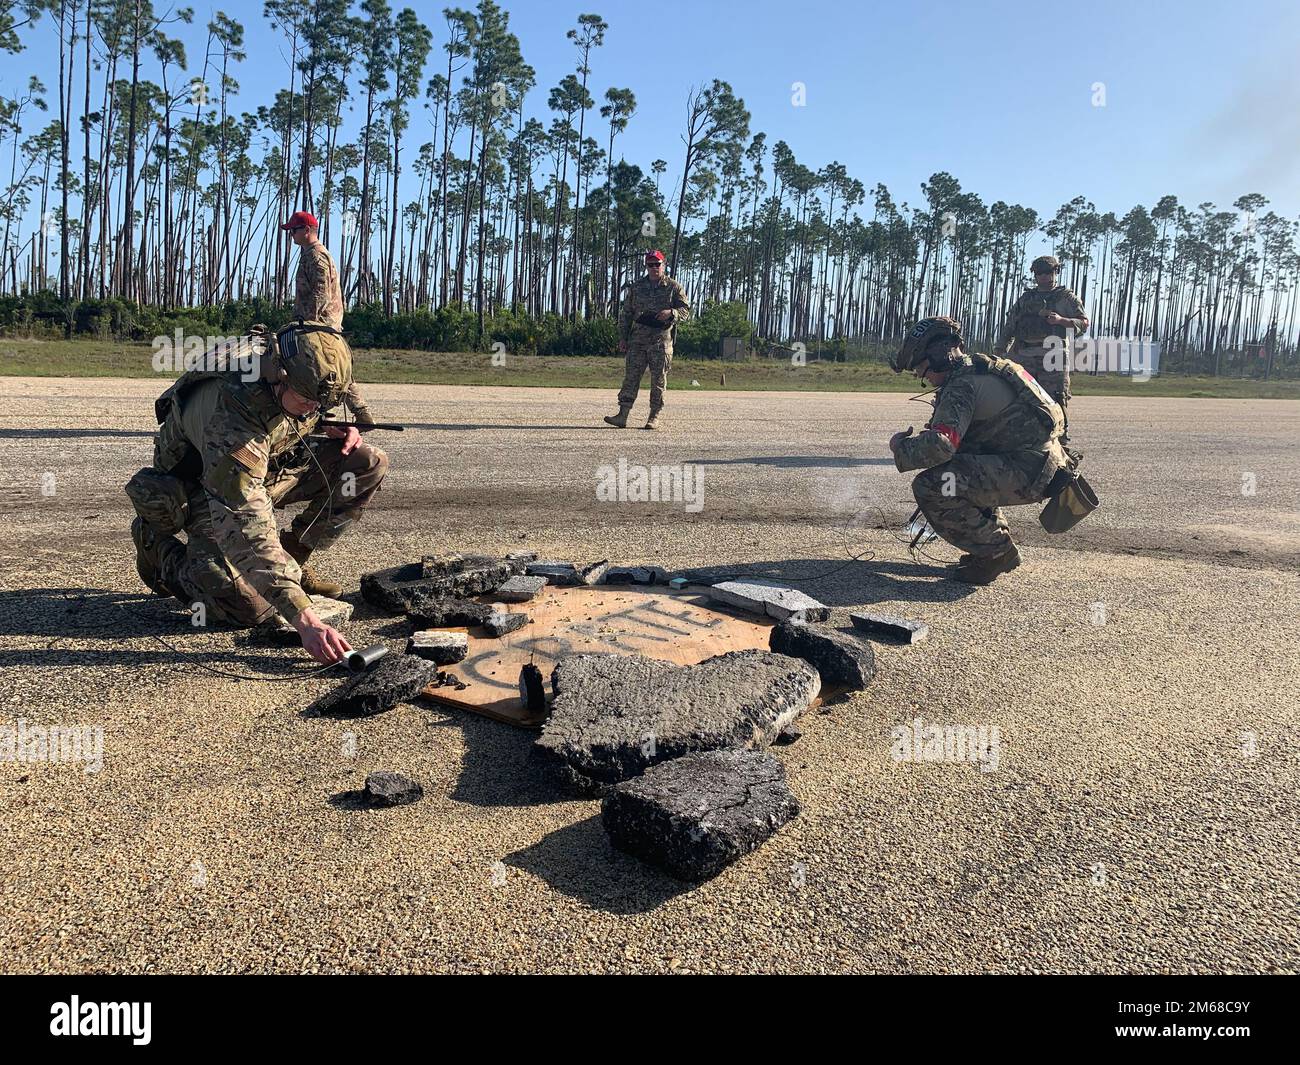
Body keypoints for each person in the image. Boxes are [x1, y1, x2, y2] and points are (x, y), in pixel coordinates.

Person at [125, 324, 388, 664]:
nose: (313, 408)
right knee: (247, 608)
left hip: (268, 468)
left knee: (365, 462)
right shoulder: (231, 414)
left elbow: (301, 408)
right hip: (206, 491)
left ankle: (292, 559)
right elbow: (245, 517)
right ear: (279, 375)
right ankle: (157, 549)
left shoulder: (297, 375)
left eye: (321, 402)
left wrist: (330, 424)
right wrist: (304, 620)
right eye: (308, 400)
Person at [889, 316, 1069, 584]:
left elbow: (942, 446)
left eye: (922, 369)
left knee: (934, 485)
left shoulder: (961, 384)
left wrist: (901, 447)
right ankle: (988, 544)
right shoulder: (983, 367)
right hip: (1042, 462)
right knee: (962, 471)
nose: (921, 377)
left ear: (938, 355)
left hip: (1028, 469)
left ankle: (995, 551)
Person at [282, 209, 374, 427]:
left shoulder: (316, 256)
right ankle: (356, 413)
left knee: (318, 370)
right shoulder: (309, 253)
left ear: (307, 230)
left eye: (293, 230)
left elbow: (320, 292)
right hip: (317, 323)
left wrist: (310, 324)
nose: (291, 235)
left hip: (320, 324)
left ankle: (331, 414)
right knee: (334, 370)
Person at [993, 254, 1089, 437]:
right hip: (1024, 355)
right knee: (1020, 396)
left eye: (1048, 272)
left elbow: (1083, 323)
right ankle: (1024, 436)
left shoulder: (1065, 298)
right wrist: (999, 350)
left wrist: (1062, 320)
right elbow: (1010, 325)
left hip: (1052, 355)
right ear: (1034, 275)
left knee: (1056, 398)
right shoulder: (1025, 299)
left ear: (1056, 272)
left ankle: (1060, 438)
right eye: (1039, 273)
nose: (1044, 276)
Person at [605, 249, 691, 431]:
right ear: (646, 266)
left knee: (658, 380)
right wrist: (623, 337)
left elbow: (685, 310)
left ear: (663, 264)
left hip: (661, 342)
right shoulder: (637, 287)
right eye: (650, 265)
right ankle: (623, 415)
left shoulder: (673, 287)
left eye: (657, 264)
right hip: (638, 341)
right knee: (630, 378)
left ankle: (654, 416)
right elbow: (627, 314)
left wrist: (672, 312)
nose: (654, 268)